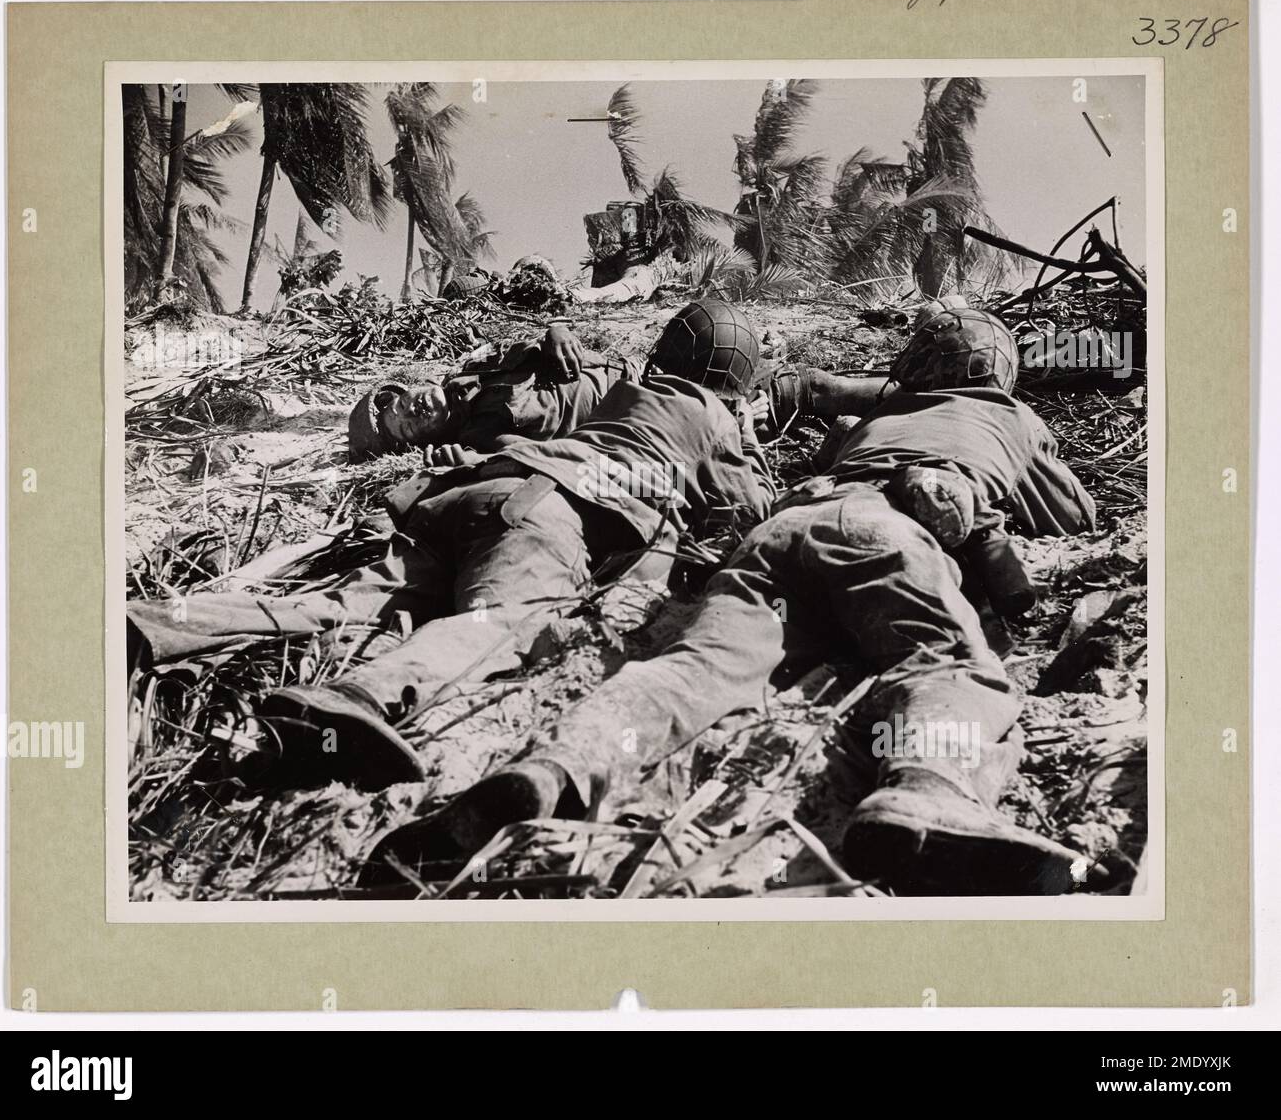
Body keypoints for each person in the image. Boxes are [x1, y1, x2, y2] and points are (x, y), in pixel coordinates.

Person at [368, 298, 1098, 896]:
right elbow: (1076, 517)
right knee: (946, 660)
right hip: (885, 531)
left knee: (695, 670)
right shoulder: (1013, 419)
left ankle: (553, 766)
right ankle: (927, 790)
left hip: (786, 528)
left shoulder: (876, 420)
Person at [128, 300, 774, 790]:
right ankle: (357, 698)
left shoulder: (622, 395)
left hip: (466, 492)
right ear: (733, 382)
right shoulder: (713, 417)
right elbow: (750, 512)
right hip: (542, 514)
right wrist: (746, 435)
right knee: (500, 626)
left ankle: (152, 624)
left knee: (344, 603)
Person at [347, 321, 642, 465]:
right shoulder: (478, 435)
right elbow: (534, 457)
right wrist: (473, 462)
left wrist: (555, 331)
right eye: (410, 427)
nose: (415, 410)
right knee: (677, 481)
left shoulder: (474, 365)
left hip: (633, 367)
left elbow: (531, 341)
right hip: (636, 414)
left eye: (402, 405)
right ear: (426, 440)